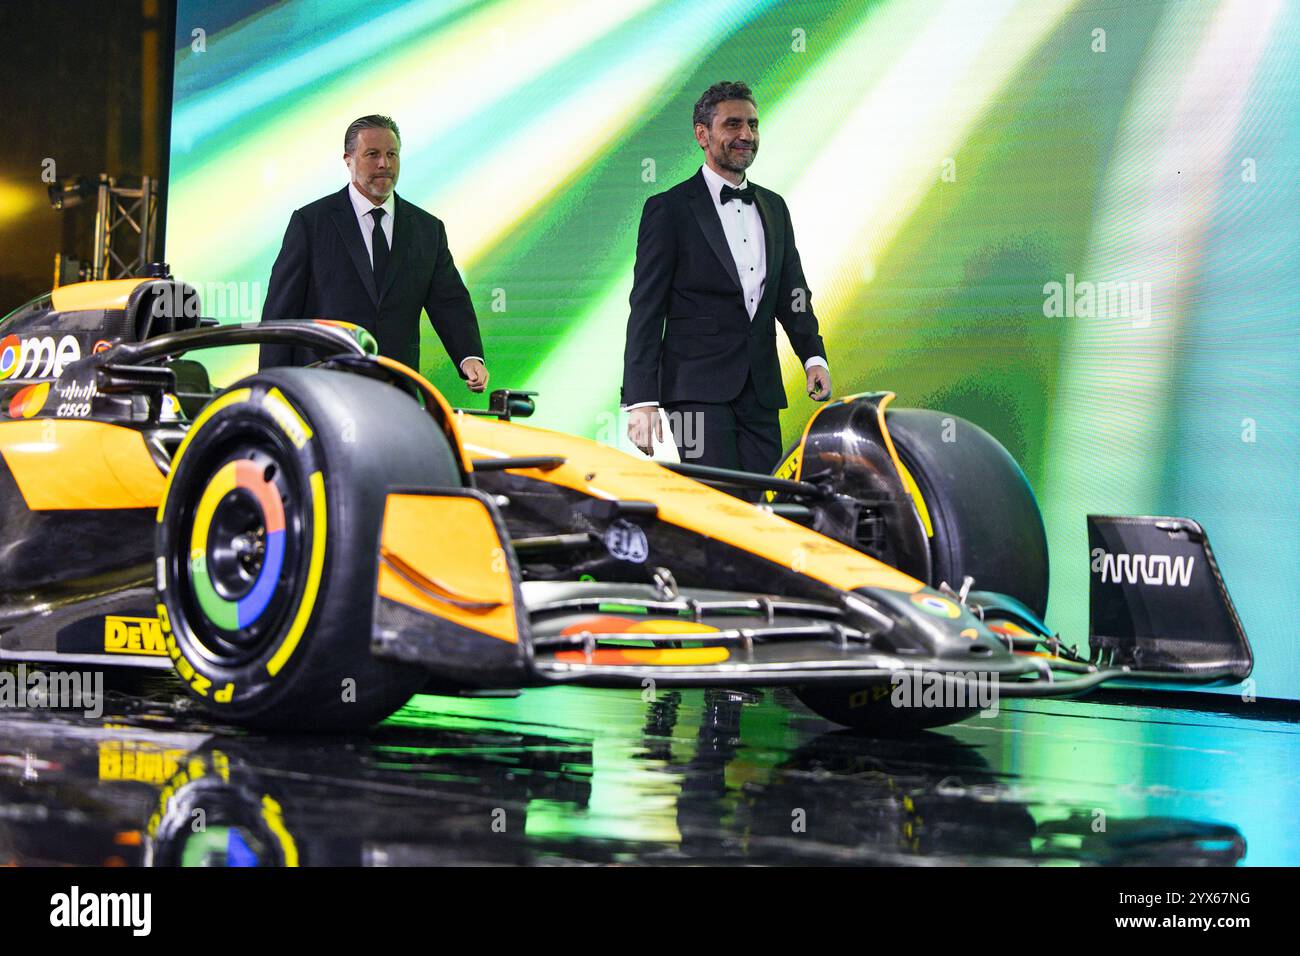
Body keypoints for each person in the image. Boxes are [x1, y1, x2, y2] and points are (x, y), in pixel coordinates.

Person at [621, 81, 830, 474]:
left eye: (752, 124)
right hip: (693, 389)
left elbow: (793, 293)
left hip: (762, 390)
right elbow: (646, 309)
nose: (746, 135)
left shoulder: (774, 206)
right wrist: (640, 400)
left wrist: (813, 356)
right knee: (717, 502)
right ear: (702, 134)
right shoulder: (668, 209)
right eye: (732, 124)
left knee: (766, 502)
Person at [258, 114, 488, 390]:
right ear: (348, 160)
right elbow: (281, 316)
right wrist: (270, 388)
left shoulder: (427, 229)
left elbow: (449, 302)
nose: (384, 164)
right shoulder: (310, 223)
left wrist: (469, 357)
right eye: (373, 154)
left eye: (392, 154)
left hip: (397, 392)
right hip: (324, 392)